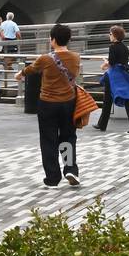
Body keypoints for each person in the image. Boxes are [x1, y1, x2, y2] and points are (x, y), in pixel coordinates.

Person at [15, 24, 82, 188]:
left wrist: (19, 74)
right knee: (68, 136)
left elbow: (31, 69)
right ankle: (70, 169)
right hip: (68, 102)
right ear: (69, 39)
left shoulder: (45, 58)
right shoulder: (75, 57)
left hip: (48, 104)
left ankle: (52, 177)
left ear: (52, 39)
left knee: (48, 139)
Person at [95, 24, 129, 136]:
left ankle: (102, 124)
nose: (109, 35)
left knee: (107, 100)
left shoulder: (112, 47)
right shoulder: (125, 47)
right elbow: (122, 62)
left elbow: (112, 63)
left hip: (114, 76)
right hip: (124, 75)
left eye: (110, 34)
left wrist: (104, 65)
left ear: (114, 35)